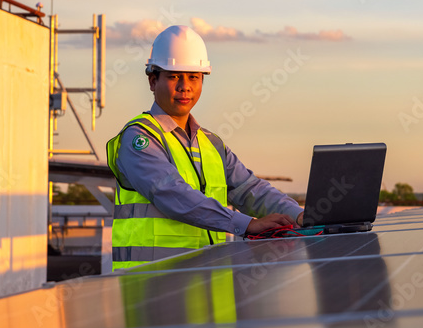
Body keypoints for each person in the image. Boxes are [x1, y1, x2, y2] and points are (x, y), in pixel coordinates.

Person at [107, 25, 302, 271]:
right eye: (174, 76)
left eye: (193, 77)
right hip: (151, 285)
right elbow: (171, 194)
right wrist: (247, 223)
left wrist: (299, 216)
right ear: (152, 81)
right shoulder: (139, 139)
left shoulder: (211, 143)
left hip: (207, 282)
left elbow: (251, 189)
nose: (184, 87)